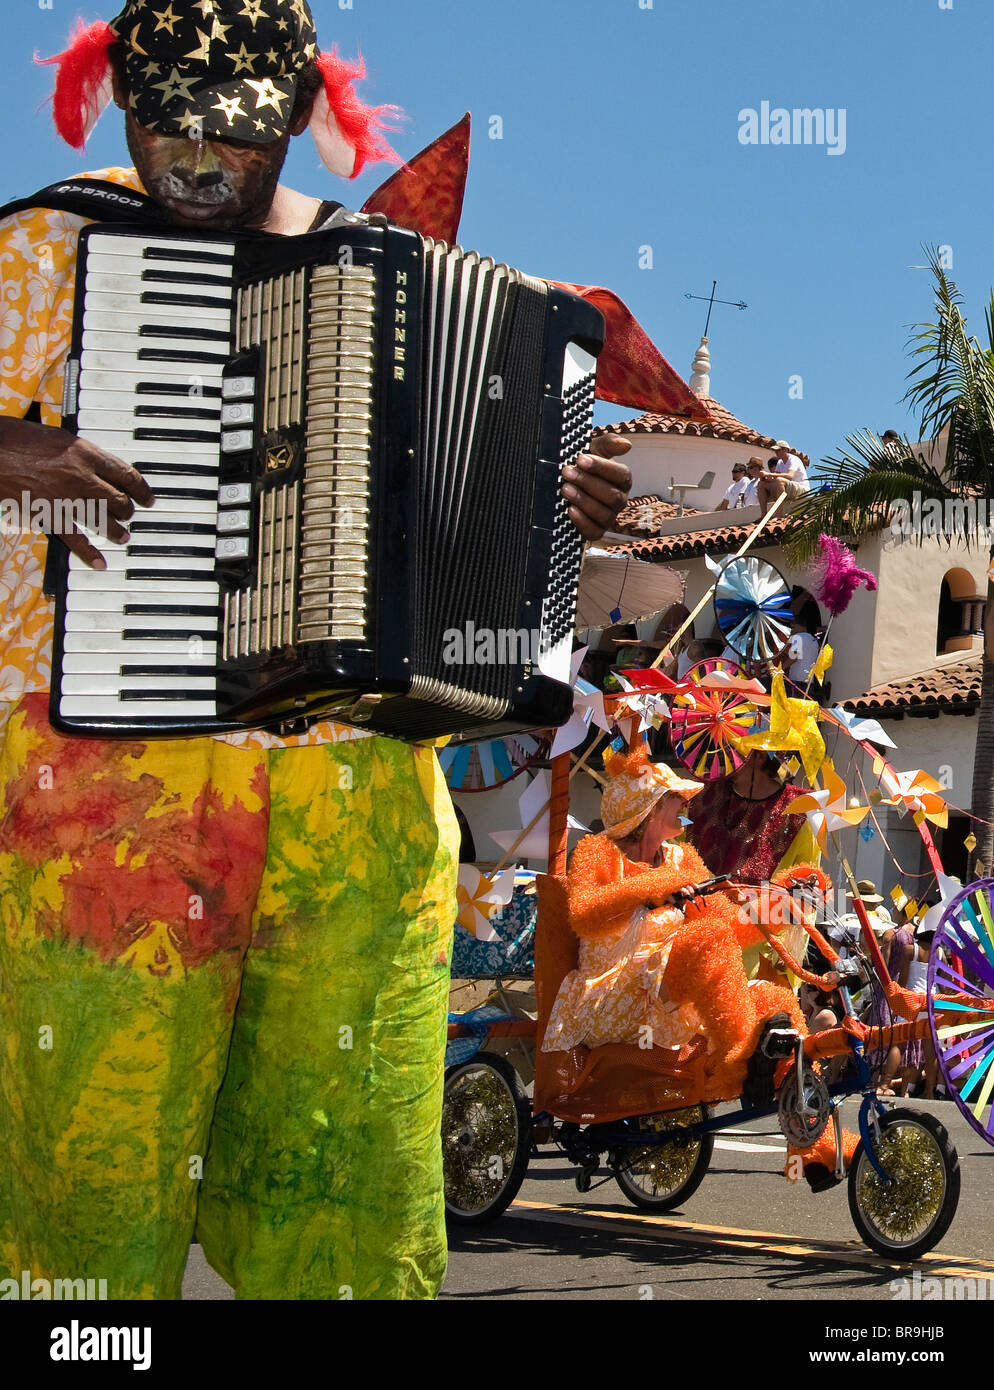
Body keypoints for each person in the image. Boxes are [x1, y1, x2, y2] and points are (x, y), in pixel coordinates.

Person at [0, 1, 635, 1302]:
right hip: (103, 804)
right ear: (112, 92)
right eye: (164, 125)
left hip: (356, 814)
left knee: (346, 1208)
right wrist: (12, 454)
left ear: (301, 111)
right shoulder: (41, 245)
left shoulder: (391, 273)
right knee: (81, 1213)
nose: (194, 164)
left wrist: (552, 510)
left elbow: (482, 542)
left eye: (233, 135)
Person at [541, 742, 813, 1103]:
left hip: (665, 1001)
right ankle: (735, 1064)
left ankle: (805, 1107)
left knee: (771, 998)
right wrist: (655, 889)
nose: (686, 804)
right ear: (650, 809)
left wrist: (783, 906)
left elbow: (728, 922)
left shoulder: (682, 857)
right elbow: (584, 915)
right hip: (612, 1001)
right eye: (675, 797)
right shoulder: (599, 850)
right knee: (706, 937)